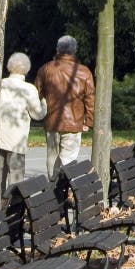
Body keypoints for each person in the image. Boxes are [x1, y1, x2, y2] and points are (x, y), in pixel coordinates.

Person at [0, 52, 47, 198]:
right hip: (17, 140)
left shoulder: (0, 83)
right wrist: (44, 103)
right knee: (16, 177)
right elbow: (38, 114)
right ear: (26, 70)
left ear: (9, 67)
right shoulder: (29, 89)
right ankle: (13, 207)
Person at [35, 35, 95, 181]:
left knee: (52, 156)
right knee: (69, 157)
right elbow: (90, 98)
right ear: (74, 50)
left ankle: (52, 185)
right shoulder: (84, 71)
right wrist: (89, 122)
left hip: (52, 120)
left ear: (57, 49)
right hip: (74, 122)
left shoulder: (46, 69)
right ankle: (65, 186)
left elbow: (37, 93)